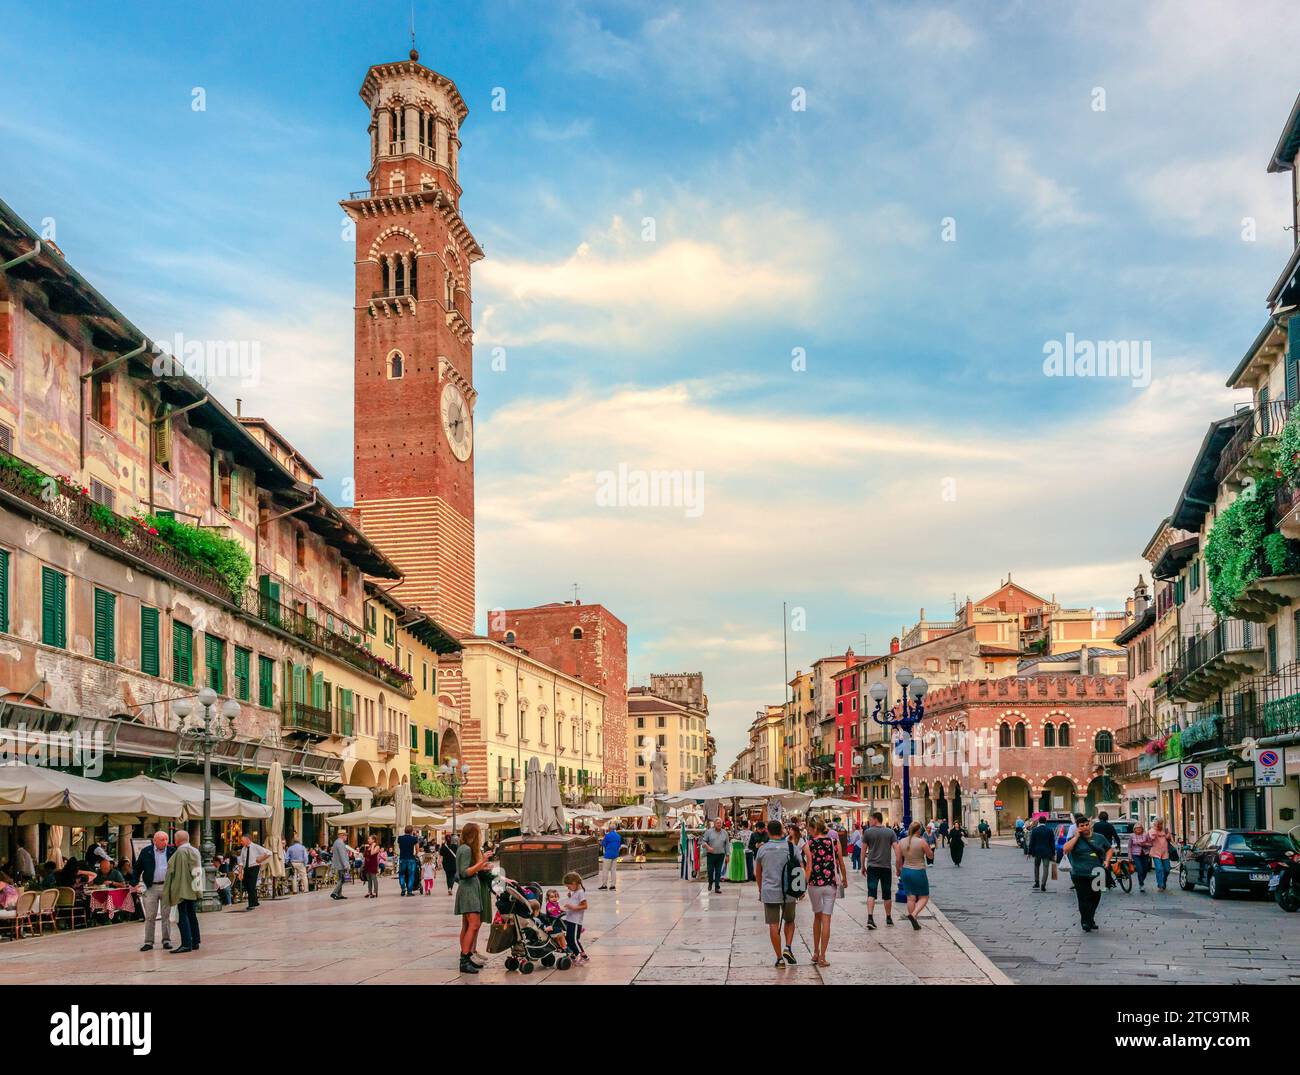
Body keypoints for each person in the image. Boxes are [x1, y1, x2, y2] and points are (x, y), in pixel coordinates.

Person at [754, 819, 801, 967]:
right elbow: (799, 867)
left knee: (773, 924)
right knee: (790, 920)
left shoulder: (762, 849)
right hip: (789, 891)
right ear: (782, 831)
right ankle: (788, 946)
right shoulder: (791, 847)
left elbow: (758, 872)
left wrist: (761, 889)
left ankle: (779, 958)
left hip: (769, 891)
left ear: (768, 831)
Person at [803, 817, 846, 968]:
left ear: (815, 829)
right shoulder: (834, 842)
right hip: (831, 884)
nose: (808, 831)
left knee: (817, 917)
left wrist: (802, 886)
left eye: (809, 828)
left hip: (814, 884)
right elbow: (840, 861)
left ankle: (815, 952)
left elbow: (808, 867)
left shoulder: (808, 844)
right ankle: (823, 956)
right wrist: (845, 878)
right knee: (827, 920)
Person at [1062, 814, 1113, 932]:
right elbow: (1065, 849)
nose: (1085, 827)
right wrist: (1076, 837)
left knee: (1095, 897)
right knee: (1083, 898)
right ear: (1077, 827)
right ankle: (1085, 921)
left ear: (1089, 824)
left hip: (1097, 873)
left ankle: (1090, 918)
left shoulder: (1099, 837)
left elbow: (1109, 849)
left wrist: (1107, 860)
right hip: (1079, 874)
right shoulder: (1075, 839)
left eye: (1086, 825)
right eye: (1082, 826)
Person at [454, 823, 494, 974]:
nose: (480, 835)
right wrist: (482, 861)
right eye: (478, 832)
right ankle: (464, 959)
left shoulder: (464, 848)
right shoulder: (465, 849)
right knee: (474, 924)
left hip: (470, 888)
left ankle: (467, 956)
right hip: (469, 889)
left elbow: (468, 870)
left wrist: (482, 866)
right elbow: (464, 872)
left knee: (467, 925)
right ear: (474, 834)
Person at [163, 831, 202, 954]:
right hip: (192, 888)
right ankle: (195, 941)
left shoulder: (180, 852)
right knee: (191, 914)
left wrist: (174, 892)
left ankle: (186, 943)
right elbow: (197, 871)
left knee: (182, 915)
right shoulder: (195, 850)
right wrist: (198, 889)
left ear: (177, 840)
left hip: (182, 889)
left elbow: (178, 873)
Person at [133, 832, 173, 951]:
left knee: (166, 915)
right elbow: (138, 867)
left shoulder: (171, 851)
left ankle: (166, 940)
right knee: (150, 915)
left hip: (166, 886)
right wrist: (135, 883)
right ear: (155, 841)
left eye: (166, 839)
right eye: (162, 839)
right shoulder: (147, 851)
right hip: (151, 887)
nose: (165, 842)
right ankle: (149, 941)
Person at [860, 811, 896, 929]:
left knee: (871, 892)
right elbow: (897, 848)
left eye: (871, 819)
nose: (869, 822)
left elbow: (863, 850)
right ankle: (889, 917)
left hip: (872, 866)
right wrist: (899, 864)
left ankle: (870, 917)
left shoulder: (868, 832)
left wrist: (862, 865)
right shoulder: (890, 832)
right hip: (886, 867)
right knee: (887, 893)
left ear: (876, 819)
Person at [895, 821, 934, 930]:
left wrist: (898, 870)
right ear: (919, 830)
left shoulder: (901, 842)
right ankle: (914, 914)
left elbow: (898, 859)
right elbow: (930, 856)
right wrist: (931, 849)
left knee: (910, 898)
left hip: (906, 871)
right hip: (918, 871)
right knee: (924, 896)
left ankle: (914, 921)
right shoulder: (922, 842)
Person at [561, 871, 589, 963]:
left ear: (574, 883)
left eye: (568, 886)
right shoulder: (575, 891)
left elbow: (585, 906)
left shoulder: (580, 892)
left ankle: (582, 955)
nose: (568, 888)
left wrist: (573, 907)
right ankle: (575, 953)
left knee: (574, 939)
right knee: (569, 938)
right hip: (570, 919)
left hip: (576, 921)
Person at [236, 835, 270, 909]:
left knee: (251, 885)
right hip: (246, 868)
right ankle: (255, 901)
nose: (241, 842)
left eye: (242, 840)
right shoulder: (243, 849)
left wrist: (261, 859)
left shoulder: (255, 847)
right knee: (247, 885)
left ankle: (251, 905)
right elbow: (241, 862)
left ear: (248, 840)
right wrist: (240, 873)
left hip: (254, 867)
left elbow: (268, 853)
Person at [1027, 815, 1055, 891]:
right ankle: (1043, 884)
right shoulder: (1049, 830)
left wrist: (1029, 852)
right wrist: (1053, 853)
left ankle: (1037, 882)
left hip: (1037, 852)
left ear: (1039, 821)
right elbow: (1052, 843)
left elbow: (1031, 842)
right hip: (1047, 852)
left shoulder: (1035, 830)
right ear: (1045, 822)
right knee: (1046, 868)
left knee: (1036, 866)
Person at [701, 818, 728, 894]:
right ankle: (710, 883)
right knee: (710, 871)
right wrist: (708, 847)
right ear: (714, 824)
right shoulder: (709, 832)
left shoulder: (725, 833)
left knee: (718, 872)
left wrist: (727, 855)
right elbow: (703, 842)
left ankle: (717, 887)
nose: (719, 824)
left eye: (720, 823)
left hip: (721, 855)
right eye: (717, 823)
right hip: (711, 855)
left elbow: (727, 845)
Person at [1148, 818, 1172, 892]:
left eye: (1161, 824)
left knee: (1167, 870)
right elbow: (1151, 838)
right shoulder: (1152, 830)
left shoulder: (1165, 830)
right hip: (1156, 853)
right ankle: (1160, 885)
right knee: (1159, 869)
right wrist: (1155, 829)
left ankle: (1163, 881)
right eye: (1158, 824)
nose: (1160, 825)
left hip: (1165, 852)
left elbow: (1169, 839)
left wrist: (1169, 836)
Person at [396, 826, 421, 897]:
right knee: (411, 875)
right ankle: (409, 891)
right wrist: (416, 854)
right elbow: (417, 849)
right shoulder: (414, 838)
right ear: (411, 831)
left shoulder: (400, 838)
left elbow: (400, 847)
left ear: (405, 831)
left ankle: (403, 889)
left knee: (401, 874)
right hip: (411, 859)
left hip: (402, 858)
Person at [329, 833, 354, 900]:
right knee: (342, 879)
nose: (346, 837)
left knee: (340, 879)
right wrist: (346, 865)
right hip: (341, 864)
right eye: (345, 835)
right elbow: (342, 855)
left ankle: (339, 894)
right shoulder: (340, 843)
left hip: (338, 864)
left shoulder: (337, 842)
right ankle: (334, 893)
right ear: (341, 836)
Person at [599, 823, 622, 891]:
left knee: (605, 870)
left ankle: (604, 885)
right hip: (615, 854)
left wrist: (600, 843)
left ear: (609, 828)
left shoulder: (607, 836)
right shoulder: (618, 836)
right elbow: (619, 845)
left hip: (608, 855)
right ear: (615, 828)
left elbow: (603, 843)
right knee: (613, 870)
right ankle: (613, 886)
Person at [1130, 823, 1152, 892]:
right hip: (1135, 854)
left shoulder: (1146, 835)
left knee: (1145, 870)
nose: (1138, 829)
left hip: (1145, 854)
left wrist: (1144, 844)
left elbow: (1151, 844)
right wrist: (1130, 856)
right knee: (1140, 869)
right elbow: (1129, 847)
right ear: (1134, 829)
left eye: (1140, 828)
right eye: (1136, 828)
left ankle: (1141, 880)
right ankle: (1141, 884)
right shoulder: (1132, 836)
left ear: (1142, 829)